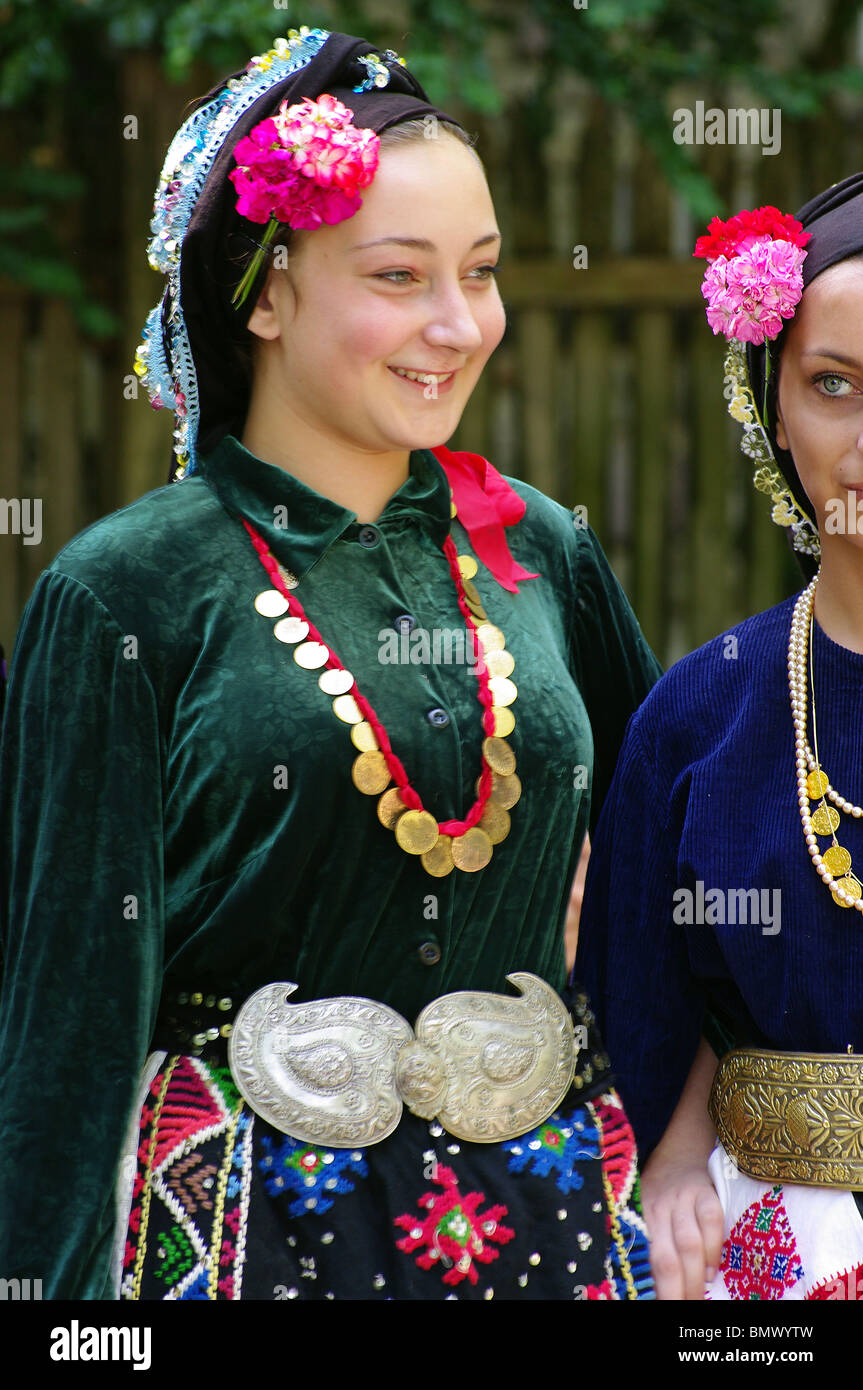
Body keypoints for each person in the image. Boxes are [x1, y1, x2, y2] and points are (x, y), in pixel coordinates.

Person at [0, 26, 660, 1301]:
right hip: (239, 1240)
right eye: (399, 276)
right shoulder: (127, 592)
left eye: (480, 272)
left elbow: (675, 871)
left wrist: (684, 1154)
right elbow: (65, 1026)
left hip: (553, 1232)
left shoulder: (542, 547)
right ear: (264, 289)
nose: (459, 325)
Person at [576, 175, 863, 1301]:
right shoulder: (701, 712)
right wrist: (669, 1150)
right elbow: (633, 1005)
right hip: (763, 1259)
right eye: (833, 385)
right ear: (770, 407)